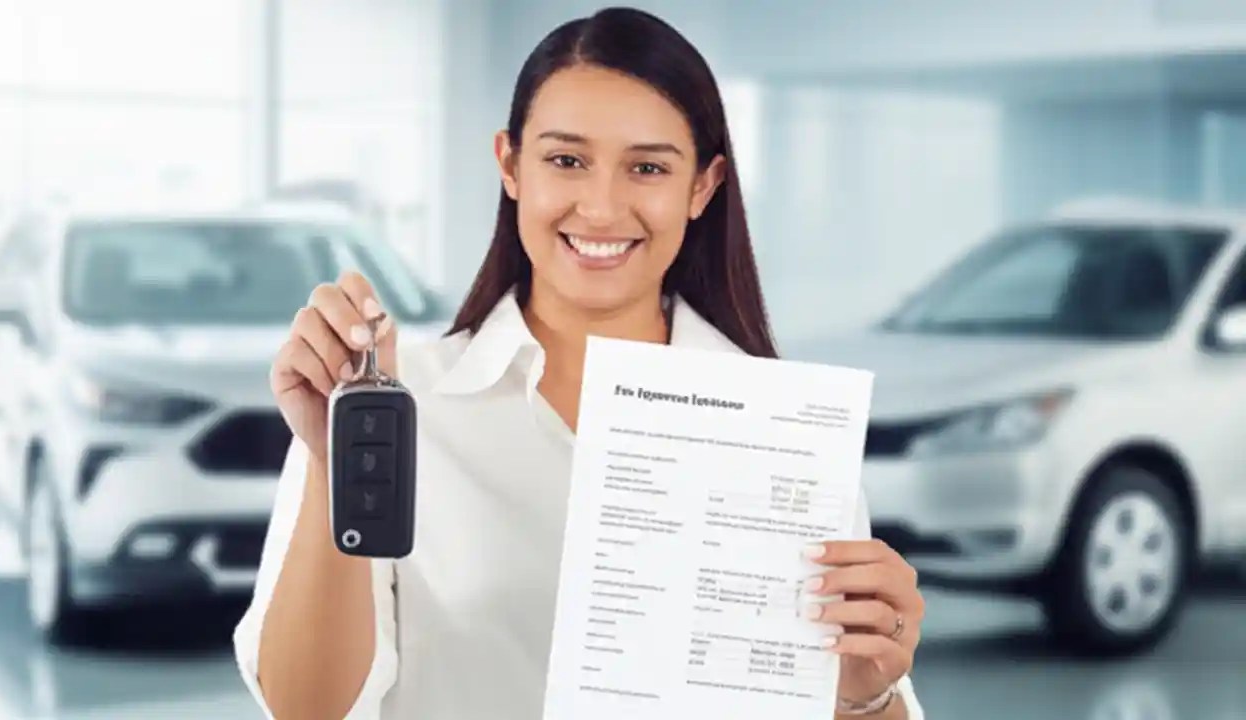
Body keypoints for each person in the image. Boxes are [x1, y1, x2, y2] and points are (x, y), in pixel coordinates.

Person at [233, 6, 927, 719]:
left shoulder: (781, 432)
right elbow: (306, 710)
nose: (601, 207)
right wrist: (333, 463)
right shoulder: (393, 407)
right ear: (510, 165)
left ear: (702, 187)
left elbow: (847, 695)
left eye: (648, 167)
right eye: (566, 160)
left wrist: (866, 695)